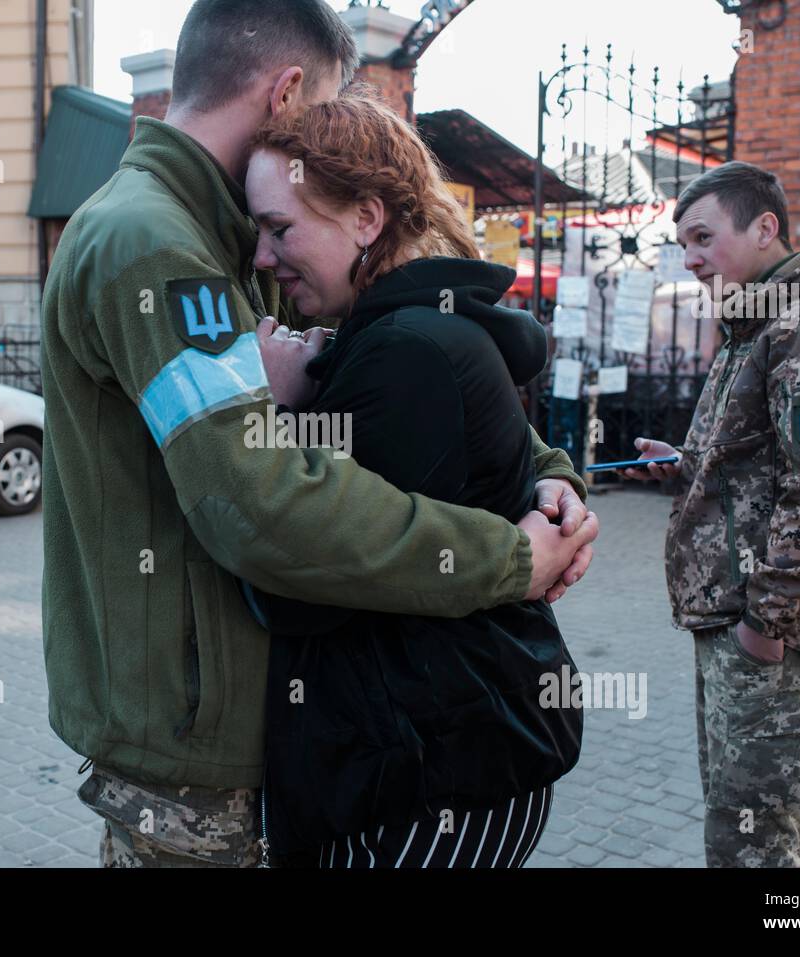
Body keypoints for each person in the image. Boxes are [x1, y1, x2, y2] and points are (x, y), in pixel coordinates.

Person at [40, 0, 596, 868]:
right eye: (324, 104)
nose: (330, 132)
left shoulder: (221, 231)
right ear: (287, 91)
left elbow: (406, 363)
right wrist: (510, 559)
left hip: (243, 716)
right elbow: (257, 501)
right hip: (190, 737)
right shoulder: (157, 242)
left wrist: (548, 475)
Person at [241, 93, 590, 868]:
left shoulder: (404, 352)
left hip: (430, 780)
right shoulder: (416, 332)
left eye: (279, 228)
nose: (263, 258)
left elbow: (303, 584)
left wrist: (274, 408)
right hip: (447, 762)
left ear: (366, 219)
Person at [622, 161, 800, 867]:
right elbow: (770, 463)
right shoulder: (760, 322)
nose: (691, 258)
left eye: (704, 237)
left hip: (763, 630)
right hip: (736, 619)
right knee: (741, 823)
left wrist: (765, 627)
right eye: (683, 243)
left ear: (765, 226)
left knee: (754, 838)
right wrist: (686, 463)